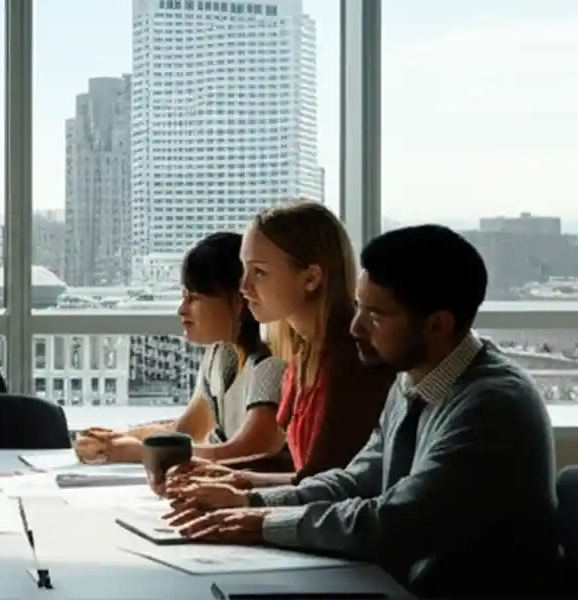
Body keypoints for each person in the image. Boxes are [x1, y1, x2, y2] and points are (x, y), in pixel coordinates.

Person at [164, 225, 562, 598]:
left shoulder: (492, 407)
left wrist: (262, 523)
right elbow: (359, 479)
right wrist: (251, 504)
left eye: (375, 315)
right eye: (359, 306)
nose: (355, 327)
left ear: (437, 325)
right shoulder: (414, 378)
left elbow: (394, 522)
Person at [173, 201, 394, 490]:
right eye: (244, 270)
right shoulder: (302, 359)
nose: (244, 286)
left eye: (260, 273)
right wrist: (222, 474)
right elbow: (304, 472)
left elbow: (327, 485)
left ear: (311, 278)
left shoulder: (350, 363)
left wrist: (237, 483)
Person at [73, 232, 287, 467]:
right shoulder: (220, 356)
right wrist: (120, 437)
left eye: (194, 298)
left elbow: (248, 450)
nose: (182, 310)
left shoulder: (271, 366)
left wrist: (145, 452)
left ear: (238, 302)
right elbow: (185, 430)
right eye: (183, 297)